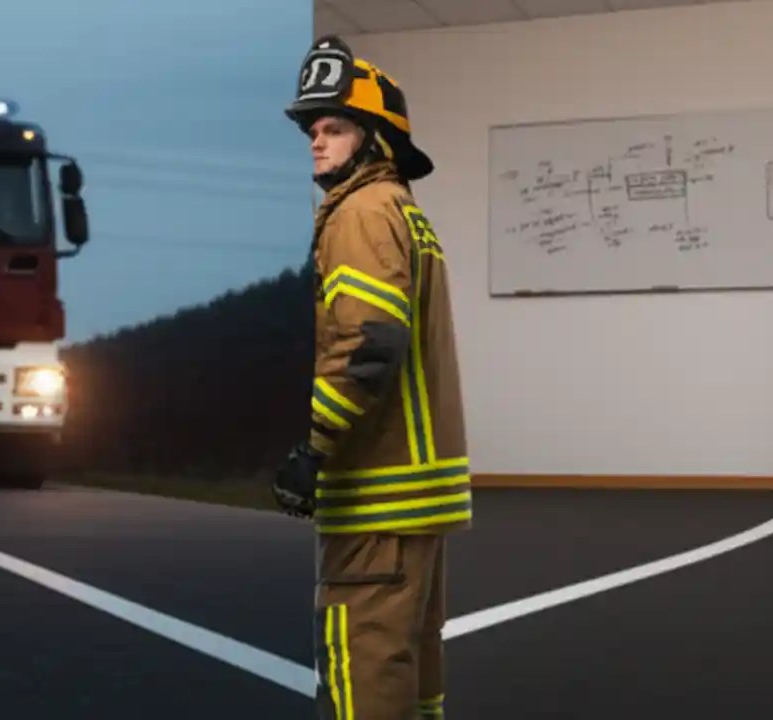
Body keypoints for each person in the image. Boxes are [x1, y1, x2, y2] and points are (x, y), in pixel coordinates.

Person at [272, 34, 473, 720]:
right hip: (418, 495)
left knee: (360, 668)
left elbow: (369, 343)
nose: (316, 143)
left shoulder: (358, 214)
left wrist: (313, 450)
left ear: (376, 138)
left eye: (335, 128)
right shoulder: (404, 214)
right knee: (411, 667)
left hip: (375, 497)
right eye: (313, 130)